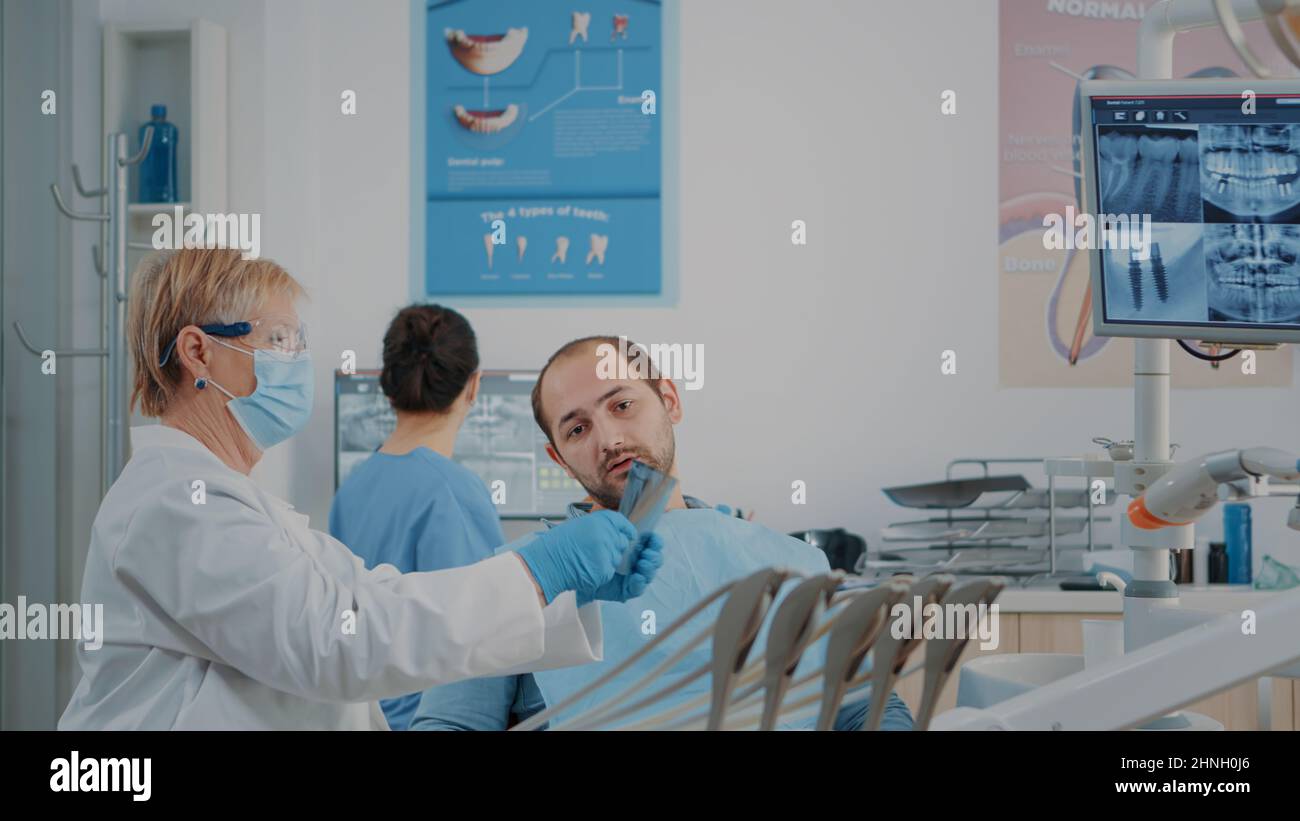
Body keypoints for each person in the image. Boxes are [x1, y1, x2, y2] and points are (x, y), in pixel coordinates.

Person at [58, 250, 663, 730]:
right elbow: (338, 640)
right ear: (198, 352)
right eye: (279, 341)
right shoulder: (175, 504)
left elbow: (374, 598)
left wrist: (561, 595)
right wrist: (538, 570)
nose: (297, 362)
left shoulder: (246, 507)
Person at [409, 336, 913, 731]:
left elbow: (863, 705)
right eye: (577, 429)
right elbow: (448, 723)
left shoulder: (790, 563)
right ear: (559, 459)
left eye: (622, 405)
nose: (610, 439)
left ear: (668, 399)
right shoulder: (516, 578)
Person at [329, 304, 506, 730]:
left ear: (388, 386)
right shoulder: (454, 492)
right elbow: (482, 643)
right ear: (474, 386)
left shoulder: (351, 489)